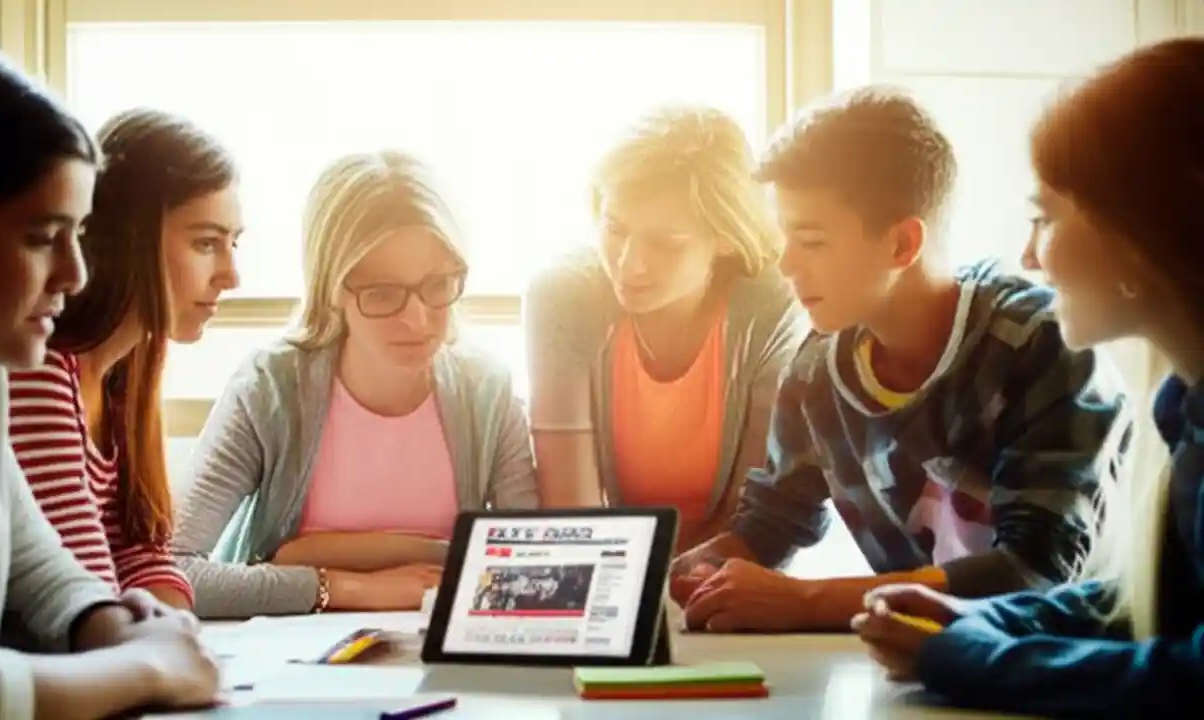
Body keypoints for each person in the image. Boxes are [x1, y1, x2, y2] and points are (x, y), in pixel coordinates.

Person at [672, 87, 1131, 632]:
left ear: (901, 245)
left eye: (812, 241)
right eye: (784, 240)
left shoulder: (1040, 344)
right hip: (926, 670)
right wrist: (711, 564)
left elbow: (1034, 571)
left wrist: (808, 601)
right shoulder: (816, 371)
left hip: (1071, 672)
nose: (786, 264)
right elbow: (774, 519)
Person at [853, 38, 1204, 718]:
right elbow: (1146, 607)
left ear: (1140, 231)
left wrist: (963, 656)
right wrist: (976, 621)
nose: (1027, 256)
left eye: (1043, 218)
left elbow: (1191, 676)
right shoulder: (1182, 409)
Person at [0, 38, 218, 719]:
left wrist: (111, 623)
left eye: (78, 234)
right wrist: (147, 665)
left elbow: (35, 556)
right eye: (39, 237)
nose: (76, 275)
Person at [173, 151, 538, 618]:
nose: (417, 318)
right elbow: (174, 574)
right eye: (382, 294)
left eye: (438, 285)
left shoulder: (486, 390)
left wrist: (310, 553)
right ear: (332, 290)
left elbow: (536, 565)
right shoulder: (271, 388)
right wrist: (356, 586)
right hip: (291, 662)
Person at [525, 105, 808, 552]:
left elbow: (756, 518)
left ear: (725, 237)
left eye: (664, 242)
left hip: (731, 574)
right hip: (602, 569)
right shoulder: (564, 298)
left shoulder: (769, 303)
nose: (629, 263)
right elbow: (572, 517)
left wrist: (672, 583)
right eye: (616, 229)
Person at [8, 109, 243, 611]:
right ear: (130, 239)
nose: (230, 274)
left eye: (234, 243)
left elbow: (141, 550)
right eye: (206, 243)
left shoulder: (125, 375)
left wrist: (176, 631)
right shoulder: (41, 373)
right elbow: (82, 590)